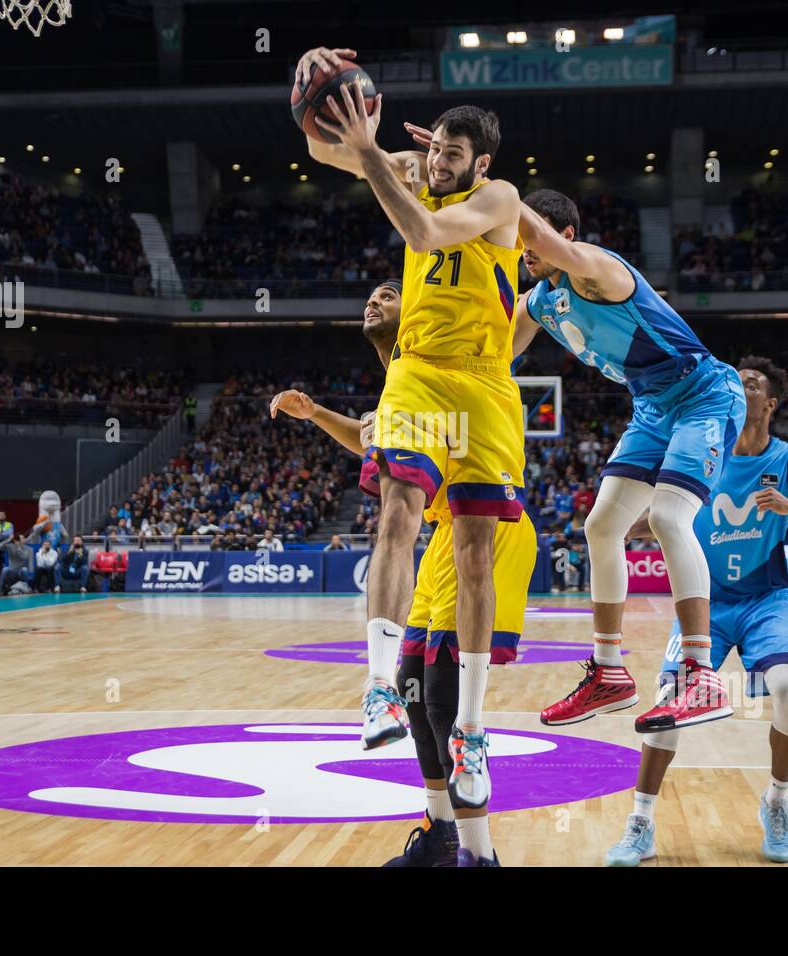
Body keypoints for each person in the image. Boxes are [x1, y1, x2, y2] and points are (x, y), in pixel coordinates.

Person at [301, 48, 526, 836]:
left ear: (481, 163)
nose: (434, 161)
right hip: (420, 375)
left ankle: (470, 729)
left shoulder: (498, 198)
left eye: (450, 155)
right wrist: (324, 99)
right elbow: (320, 147)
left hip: (487, 386)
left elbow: (428, 233)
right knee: (397, 508)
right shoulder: (411, 165)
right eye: (431, 149)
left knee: (471, 553)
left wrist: (373, 157)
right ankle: (373, 689)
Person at [271, 277, 535, 867]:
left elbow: (511, 329)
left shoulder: (446, 354)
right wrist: (315, 414)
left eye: (389, 294)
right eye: (369, 296)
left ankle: (479, 855)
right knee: (414, 690)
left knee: (442, 695)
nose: (374, 301)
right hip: (445, 536)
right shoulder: (399, 387)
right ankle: (441, 834)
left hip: (488, 536)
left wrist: (537, 282)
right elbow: (374, 442)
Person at [509, 188, 746, 731]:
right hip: (651, 408)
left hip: (703, 392)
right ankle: (610, 674)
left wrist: (495, 195)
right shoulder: (537, 301)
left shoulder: (598, 268)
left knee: (666, 517)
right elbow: (497, 355)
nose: (524, 247)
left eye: (532, 236)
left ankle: (700, 675)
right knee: (601, 526)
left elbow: (538, 235)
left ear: (565, 236)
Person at [605, 357, 788, 866]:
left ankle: (777, 802)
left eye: (752, 384)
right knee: (667, 709)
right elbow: (653, 518)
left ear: (769, 403)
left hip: (766, 601)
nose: (740, 389)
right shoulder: (699, 452)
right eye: (736, 383)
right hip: (705, 609)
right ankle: (641, 824)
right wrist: (622, 524)